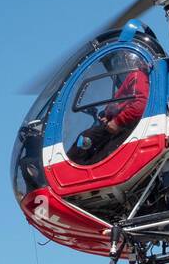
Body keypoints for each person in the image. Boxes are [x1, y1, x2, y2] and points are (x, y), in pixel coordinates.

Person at [66, 23, 163, 165]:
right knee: (87, 139)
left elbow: (140, 104)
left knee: (87, 143)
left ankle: (70, 173)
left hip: (126, 128)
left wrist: (118, 121)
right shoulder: (133, 78)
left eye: (119, 58)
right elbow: (119, 101)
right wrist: (106, 114)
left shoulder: (138, 76)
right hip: (120, 125)